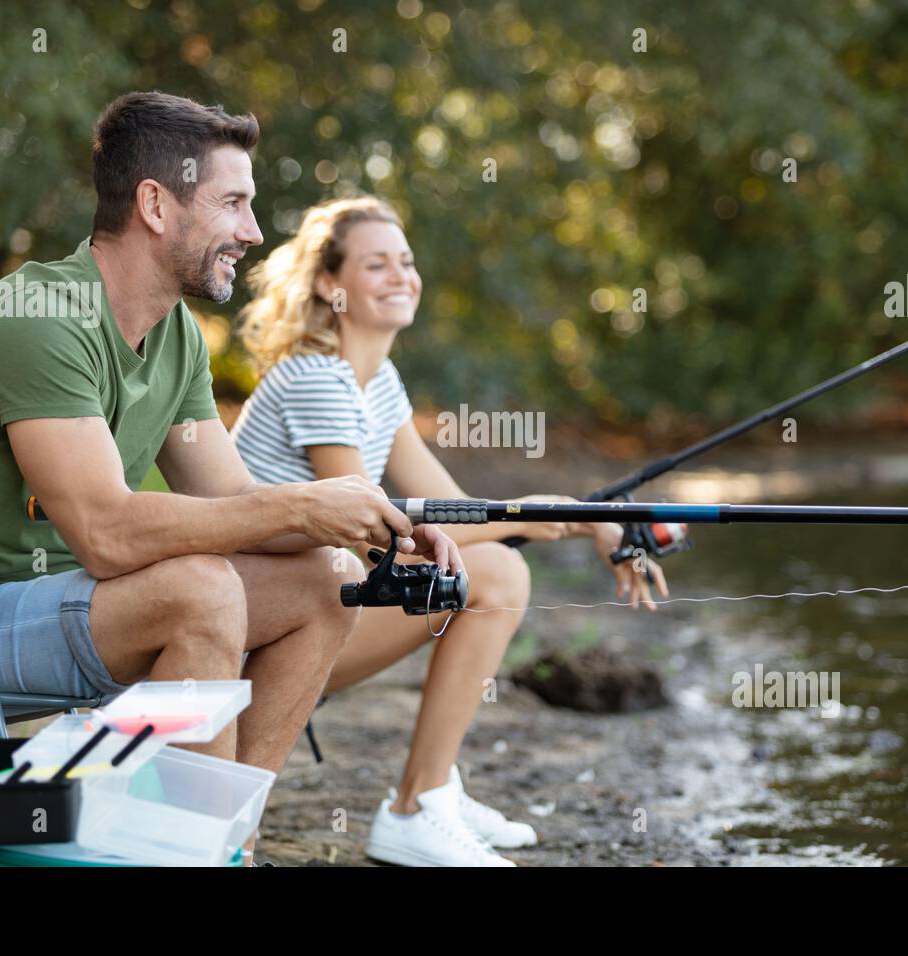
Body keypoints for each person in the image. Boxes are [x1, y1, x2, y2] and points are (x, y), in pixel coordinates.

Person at [0, 94, 460, 864]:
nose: (253, 231)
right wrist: (304, 503)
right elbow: (106, 534)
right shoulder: (40, 316)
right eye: (233, 203)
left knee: (328, 577)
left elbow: (233, 499)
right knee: (200, 592)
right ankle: (193, 853)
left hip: (64, 608)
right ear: (155, 205)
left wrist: (374, 529)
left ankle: (225, 845)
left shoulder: (175, 335)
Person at [231, 195, 669, 866]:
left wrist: (596, 523)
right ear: (327, 283)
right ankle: (415, 806)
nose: (400, 276)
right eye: (376, 264)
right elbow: (374, 533)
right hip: (259, 638)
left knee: (496, 568)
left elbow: (457, 512)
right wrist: (537, 517)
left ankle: (434, 790)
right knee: (495, 575)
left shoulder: (378, 383)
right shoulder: (316, 377)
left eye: (405, 261)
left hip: (312, 611)